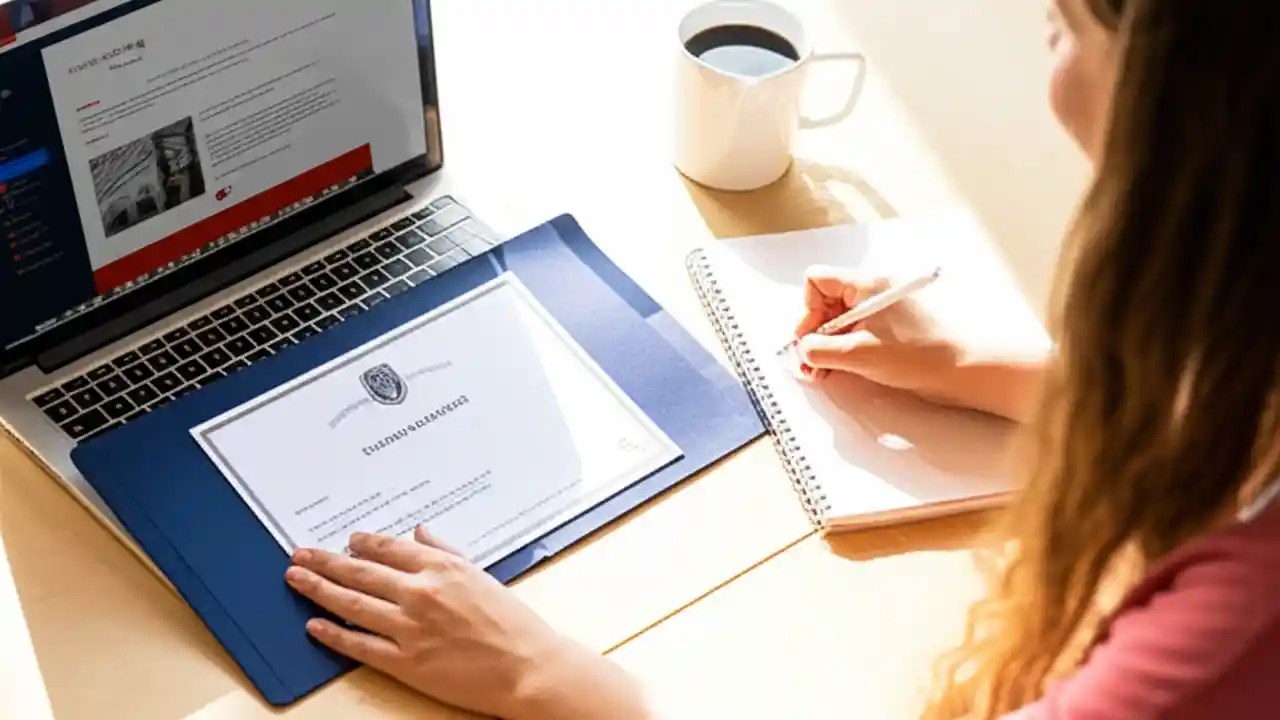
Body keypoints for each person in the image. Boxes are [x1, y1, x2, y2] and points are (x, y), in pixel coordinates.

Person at [282, 0, 1280, 717]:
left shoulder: (1225, 638)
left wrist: (552, 682)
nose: (1042, 38)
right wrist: (1010, 376)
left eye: (1067, 18)